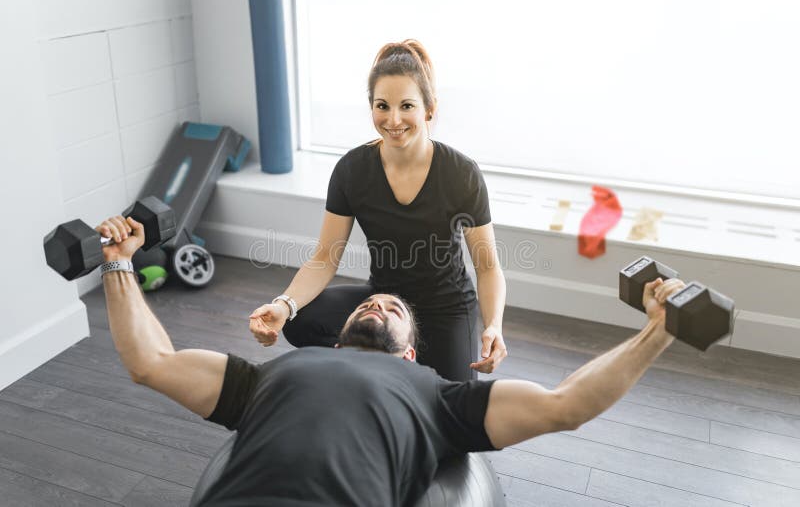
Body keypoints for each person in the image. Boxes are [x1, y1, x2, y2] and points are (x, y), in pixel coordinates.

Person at [96, 215, 684, 507]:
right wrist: (119, 262)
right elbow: (151, 361)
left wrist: (658, 331)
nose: (377, 302)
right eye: (369, 302)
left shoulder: (438, 397)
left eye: (394, 307)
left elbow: (565, 406)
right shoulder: (264, 378)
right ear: (336, 340)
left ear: (410, 352)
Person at [248, 39, 508, 382]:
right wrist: (283, 304)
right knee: (299, 321)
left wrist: (493, 326)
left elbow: (487, 267)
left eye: (407, 106)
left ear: (429, 109)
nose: (393, 119)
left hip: (445, 309)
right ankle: (381, 367)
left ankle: (389, 366)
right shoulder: (352, 170)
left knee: (452, 400)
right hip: (383, 302)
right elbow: (324, 258)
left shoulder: (461, 173)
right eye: (382, 106)